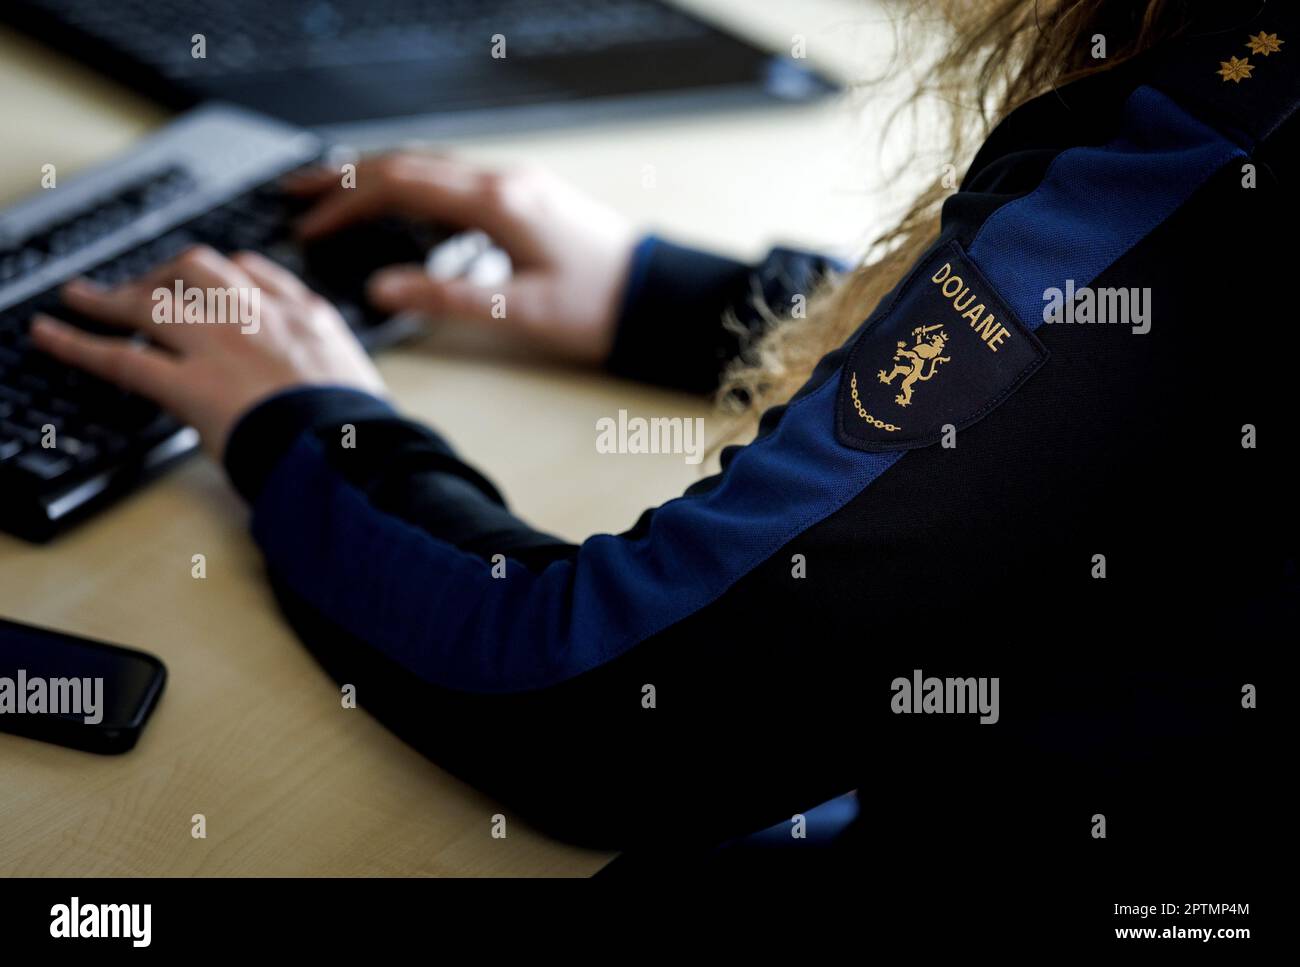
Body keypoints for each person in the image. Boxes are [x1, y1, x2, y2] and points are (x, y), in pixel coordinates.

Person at [28, 0, 1292, 884]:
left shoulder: (1220, 133)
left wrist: (301, 420)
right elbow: (1112, 412)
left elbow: (605, 707)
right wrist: (678, 298)